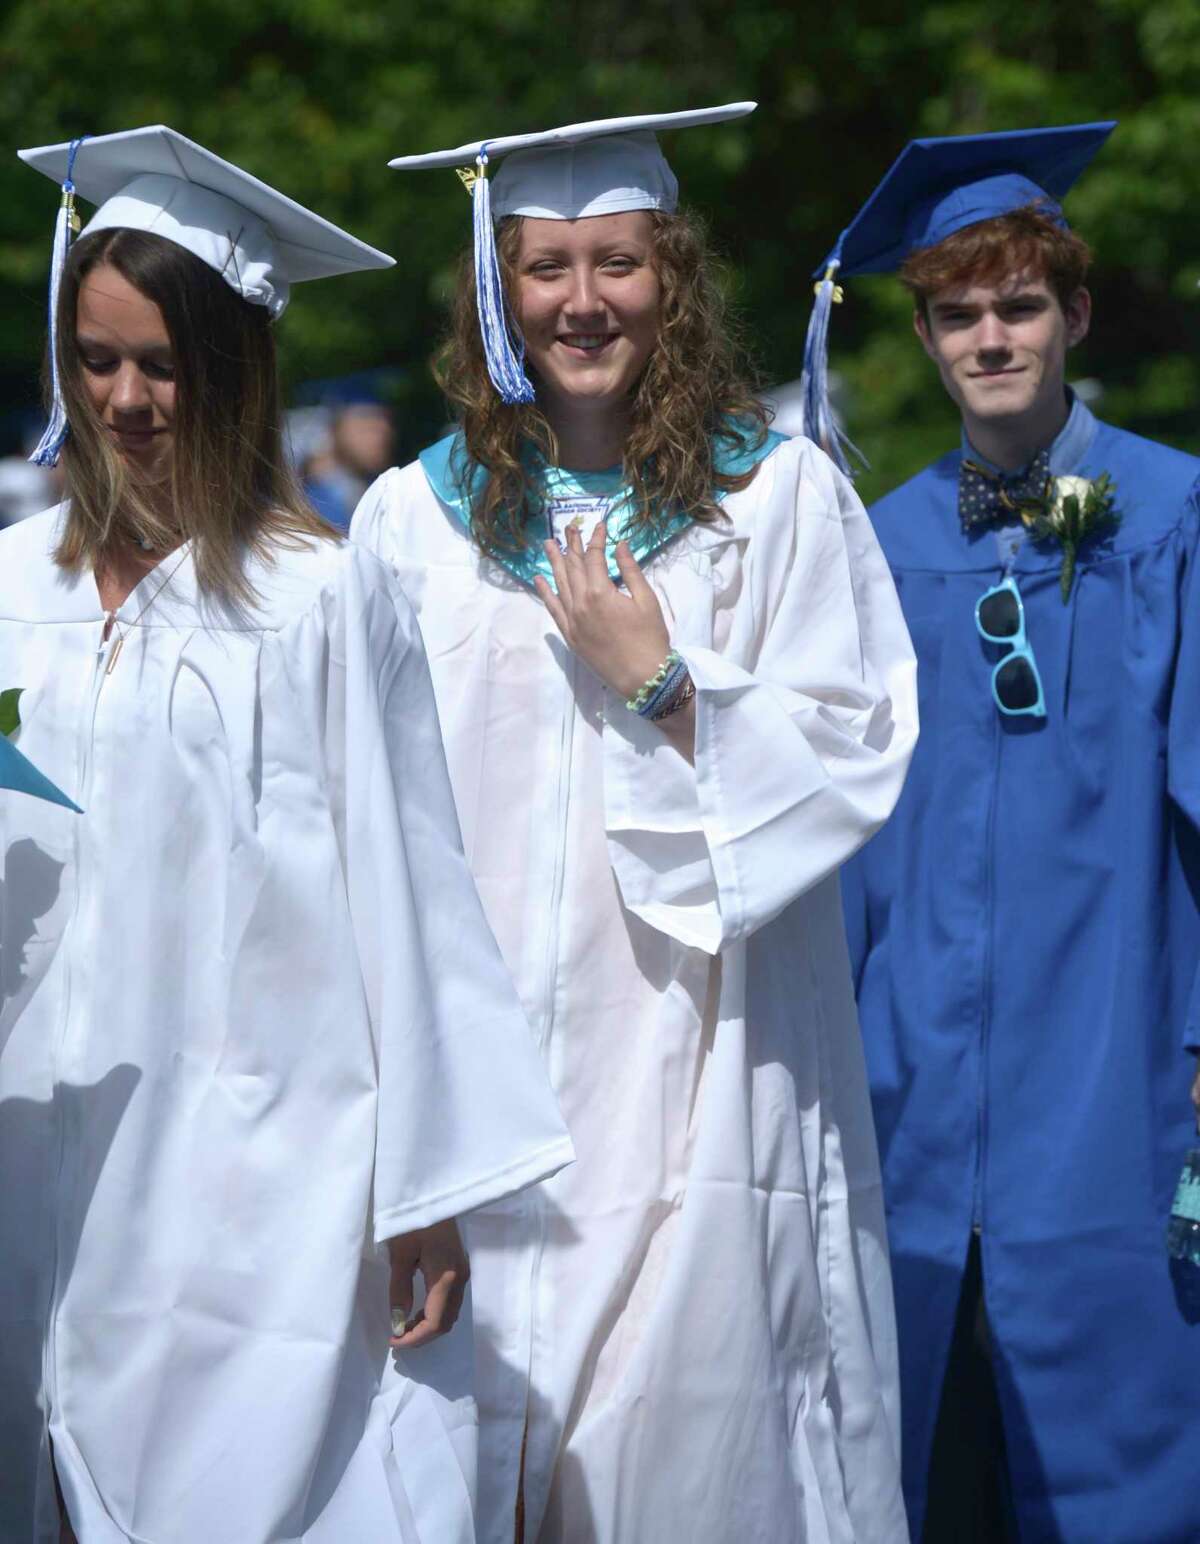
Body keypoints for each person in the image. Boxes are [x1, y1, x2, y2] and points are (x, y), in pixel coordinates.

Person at [352, 104, 919, 1544]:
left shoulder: (775, 500)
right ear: (495, 290)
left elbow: (858, 746)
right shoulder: (414, 526)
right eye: (545, 267)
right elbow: (355, 811)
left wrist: (668, 687)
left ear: (673, 277)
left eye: (617, 262)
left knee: (691, 1449)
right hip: (481, 1092)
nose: (581, 302)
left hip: (705, 1063)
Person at [2, 125, 572, 1544]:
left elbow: (410, 886)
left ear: (238, 371)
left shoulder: (317, 598)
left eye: (164, 363)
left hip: (250, 1158)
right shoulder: (11, 583)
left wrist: (424, 1191)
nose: (124, 401)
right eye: (95, 358)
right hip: (36, 1145)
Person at [808, 124, 1200, 1542]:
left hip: (1118, 1063)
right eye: (959, 313)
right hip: (909, 1081)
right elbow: (834, 828)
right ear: (921, 334)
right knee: (926, 1465)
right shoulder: (877, 539)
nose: (991, 336)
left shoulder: (1172, 515)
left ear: (1074, 314)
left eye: (1019, 305)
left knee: (1127, 1446)